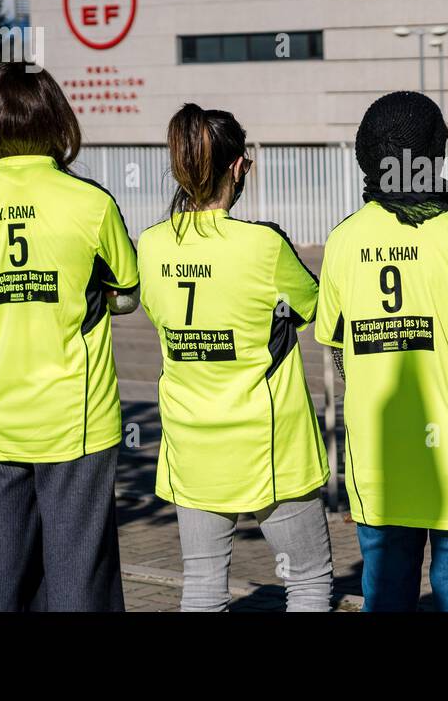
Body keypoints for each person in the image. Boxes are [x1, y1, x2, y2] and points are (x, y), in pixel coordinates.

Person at [315, 91, 448, 612]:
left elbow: (344, 355)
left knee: (386, 602)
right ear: (435, 157)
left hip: (380, 462)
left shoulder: (342, 241)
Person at [0, 63, 139, 611]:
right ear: (59, 122)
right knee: (81, 578)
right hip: (75, 419)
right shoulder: (92, 204)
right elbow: (126, 292)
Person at [138, 104, 333, 612]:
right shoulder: (263, 244)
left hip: (191, 441)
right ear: (239, 167)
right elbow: (317, 306)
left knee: (203, 584)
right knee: (308, 582)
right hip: (271, 444)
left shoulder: (151, 245)